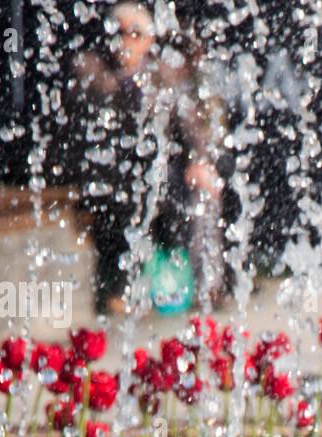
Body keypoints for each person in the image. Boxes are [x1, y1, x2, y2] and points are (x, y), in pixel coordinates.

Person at [69, 2, 221, 317]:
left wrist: (199, 160)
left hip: (157, 176)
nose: (125, 41)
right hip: (108, 175)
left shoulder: (159, 73)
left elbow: (189, 128)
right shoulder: (92, 67)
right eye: (119, 33)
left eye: (135, 34)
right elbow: (100, 96)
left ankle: (204, 283)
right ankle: (120, 288)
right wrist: (130, 74)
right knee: (130, 194)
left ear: (149, 39)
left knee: (202, 189)